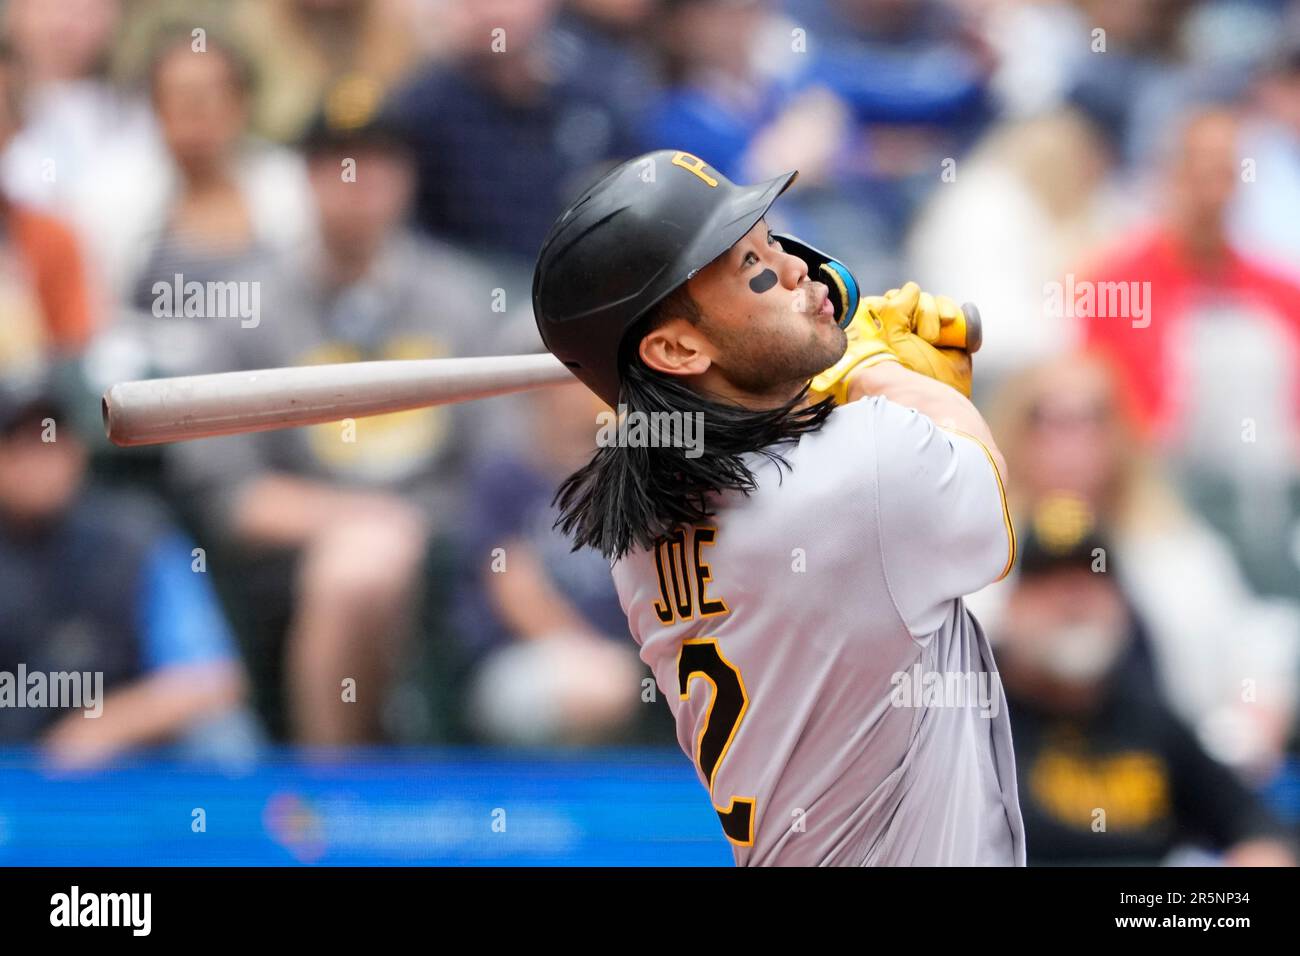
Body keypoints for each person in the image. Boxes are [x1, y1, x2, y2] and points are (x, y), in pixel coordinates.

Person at [531, 149, 1021, 865]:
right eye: (750, 267)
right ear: (674, 347)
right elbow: (988, 476)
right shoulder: (862, 473)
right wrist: (873, 367)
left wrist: (842, 371)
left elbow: (751, 439)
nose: (797, 270)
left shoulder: (636, 528)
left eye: (771, 242)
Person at [996, 511, 1295, 866]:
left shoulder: (1147, 716)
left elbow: (1256, 824)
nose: (1073, 604)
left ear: (1122, 607)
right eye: (1050, 585)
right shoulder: (973, 717)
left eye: (1089, 583)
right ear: (1013, 606)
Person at [0, 371, 257, 768]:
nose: (40, 459)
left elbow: (212, 678)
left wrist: (103, 727)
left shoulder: (135, 537)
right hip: (15, 776)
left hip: (129, 767)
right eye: (20, 444)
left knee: (220, 735)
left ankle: (216, 831)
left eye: (50, 439)